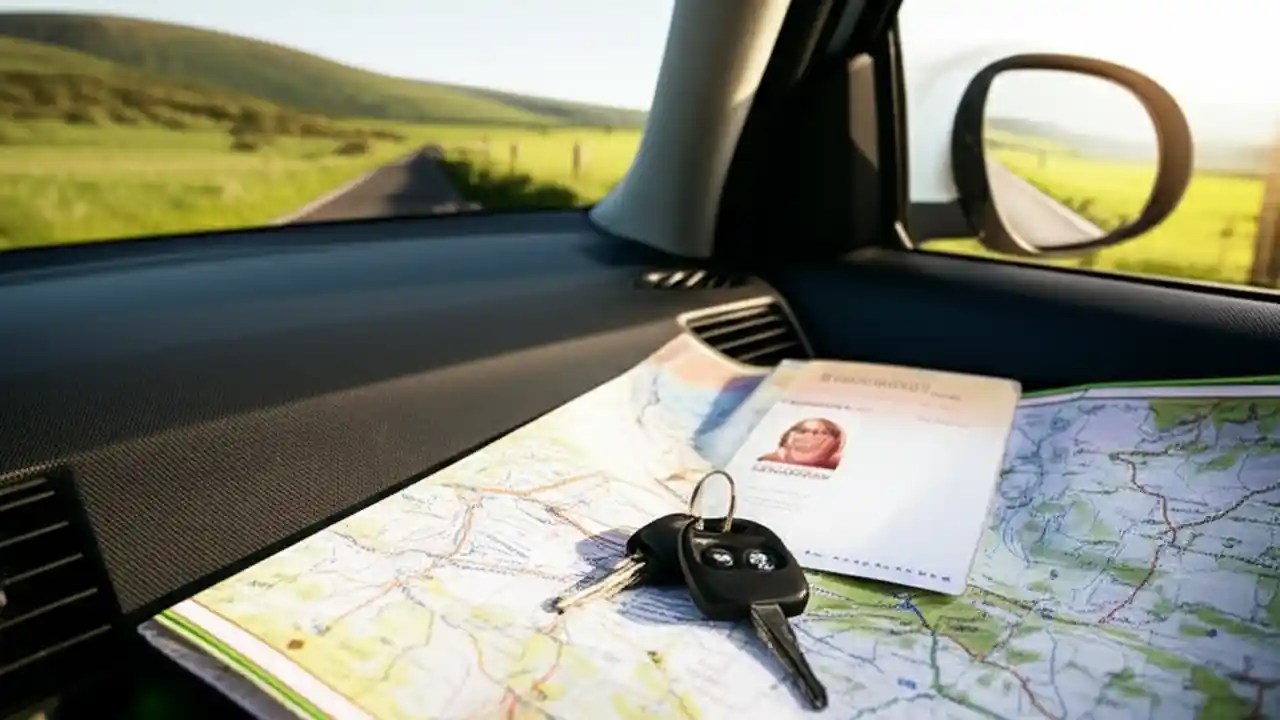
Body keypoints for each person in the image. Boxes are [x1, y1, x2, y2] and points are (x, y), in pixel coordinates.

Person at [758, 418, 844, 470]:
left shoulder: (840, 465)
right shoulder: (768, 461)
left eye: (822, 432)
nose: (809, 436)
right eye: (803, 431)